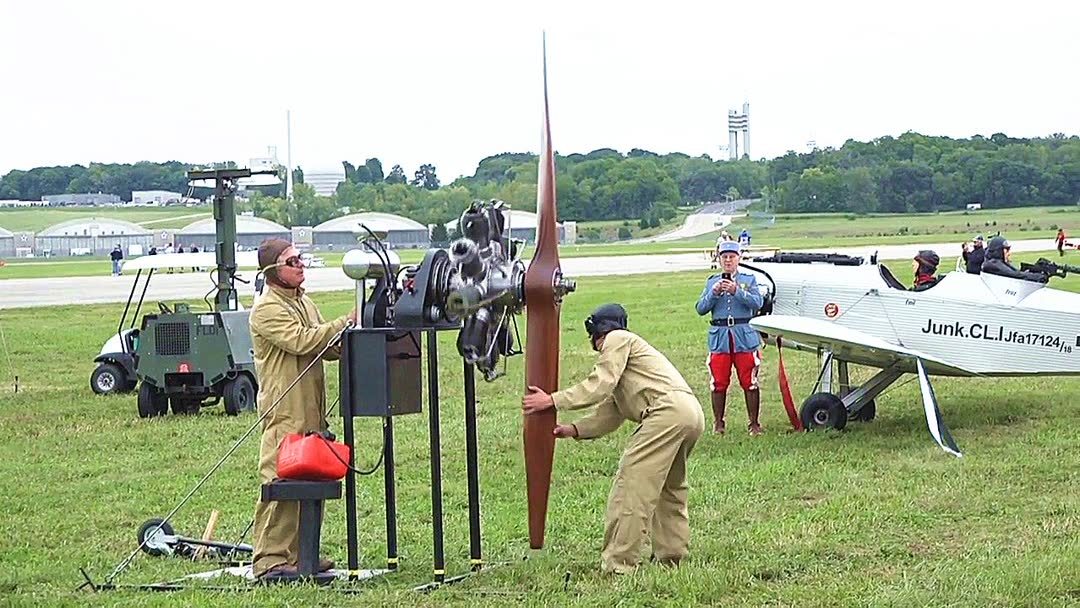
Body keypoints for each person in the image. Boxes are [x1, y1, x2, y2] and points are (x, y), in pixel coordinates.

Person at [521, 304, 705, 575]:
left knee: (632, 487)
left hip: (664, 413)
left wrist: (552, 400)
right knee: (670, 488)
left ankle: (619, 564)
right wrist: (575, 429)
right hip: (690, 414)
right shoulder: (632, 355)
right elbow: (612, 411)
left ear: (597, 329)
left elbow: (600, 383)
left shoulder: (617, 339)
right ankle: (671, 556)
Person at [248, 238, 356, 580]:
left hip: (312, 407)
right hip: (284, 409)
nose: (300, 265)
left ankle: (300, 554)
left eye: (300, 259)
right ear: (272, 271)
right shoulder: (267, 308)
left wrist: (353, 337)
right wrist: (344, 321)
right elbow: (303, 341)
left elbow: (323, 346)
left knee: (311, 476)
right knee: (279, 482)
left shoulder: (304, 302)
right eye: (292, 261)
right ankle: (270, 560)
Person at [695, 241, 765, 435]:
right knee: (718, 382)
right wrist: (713, 294)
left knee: (749, 381)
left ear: (738, 258)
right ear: (719, 259)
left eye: (731, 257)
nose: (728, 260)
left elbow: (757, 302)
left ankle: (754, 423)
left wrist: (737, 291)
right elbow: (700, 309)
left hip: (744, 335)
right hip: (720, 338)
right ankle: (718, 423)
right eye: (724, 257)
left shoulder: (748, 280)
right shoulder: (711, 281)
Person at [980, 235, 1047, 283]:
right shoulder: (992, 264)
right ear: (998, 251)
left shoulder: (997, 262)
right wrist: (1038, 276)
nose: (1009, 253)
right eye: (1007, 250)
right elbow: (1015, 275)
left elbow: (1016, 272)